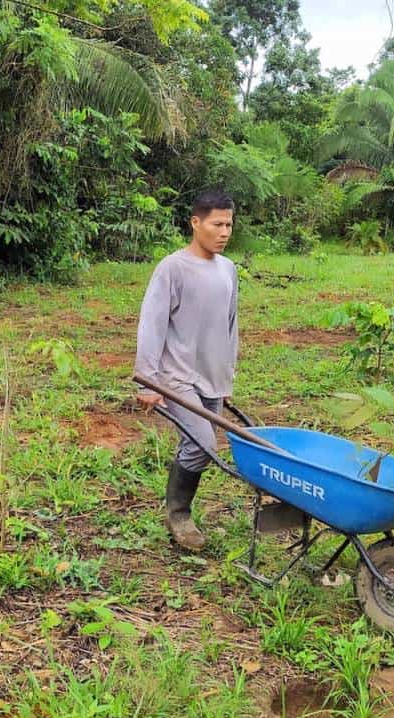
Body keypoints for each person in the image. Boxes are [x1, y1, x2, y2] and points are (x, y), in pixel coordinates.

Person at [135, 189, 238, 552]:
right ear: (196, 223)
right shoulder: (172, 268)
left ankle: (180, 507)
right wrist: (147, 380)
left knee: (199, 445)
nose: (224, 232)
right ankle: (178, 514)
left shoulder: (228, 270)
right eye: (217, 224)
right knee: (203, 443)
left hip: (212, 374)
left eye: (229, 224)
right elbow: (153, 323)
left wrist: (227, 376)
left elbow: (230, 325)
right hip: (176, 377)